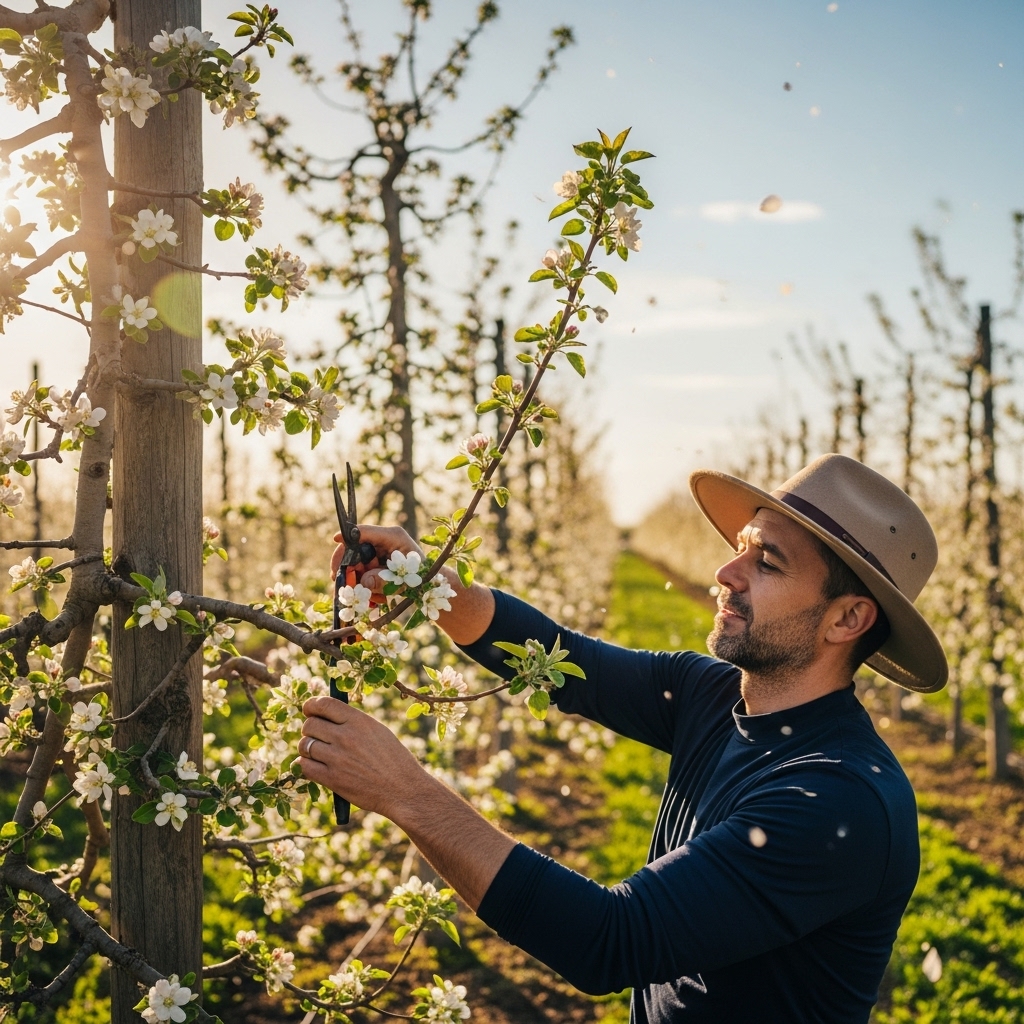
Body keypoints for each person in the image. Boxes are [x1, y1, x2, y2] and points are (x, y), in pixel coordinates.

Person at [296, 453, 947, 1024]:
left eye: (766, 562)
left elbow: (612, 940)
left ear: (849, 617)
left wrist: (406, 793)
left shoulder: (840, 802)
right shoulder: (713, 695)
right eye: (742, 545)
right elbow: (566, 663)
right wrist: (426, 580)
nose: (725, 570)